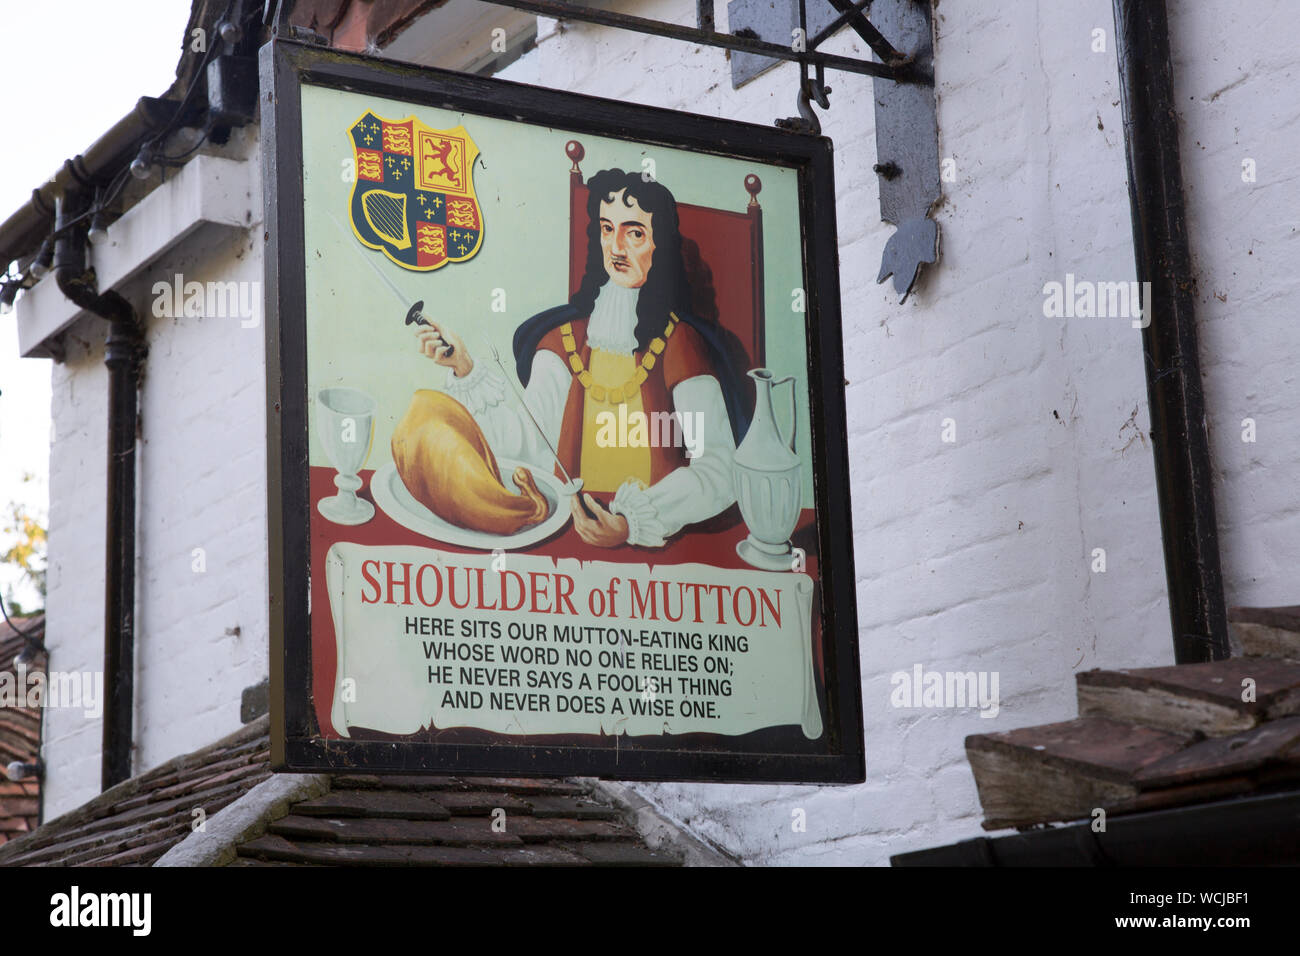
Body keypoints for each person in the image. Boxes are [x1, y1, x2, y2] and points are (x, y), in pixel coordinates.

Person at [415, 169, 749, 548]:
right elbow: (526, 442)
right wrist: (465, 369)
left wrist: (630, 522)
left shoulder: (679, 344)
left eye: (635, 233)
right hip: (564, 538)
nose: (618, 247)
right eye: (609, 229)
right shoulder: (564, 341)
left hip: (658, 548)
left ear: (661, 246)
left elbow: (719, 469)